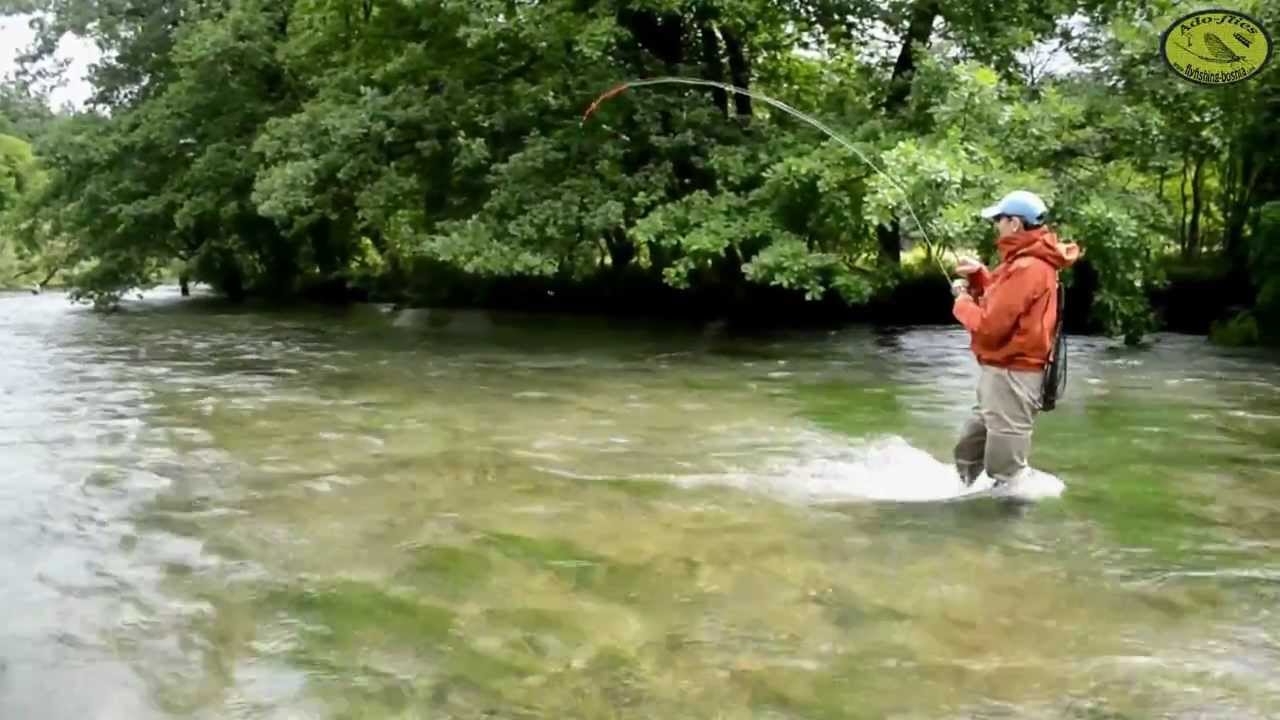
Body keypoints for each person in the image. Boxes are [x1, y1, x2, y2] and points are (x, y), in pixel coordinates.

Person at [950, 190, 1081, 487]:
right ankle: (964, 505)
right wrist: (981, 277)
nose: (996, 225)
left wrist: (962, 301)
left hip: (1014, 375)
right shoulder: (1024, 260)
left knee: (1006, 470)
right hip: (1002, 373)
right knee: (968, 448)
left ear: (1015, 224)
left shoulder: (1028, 266)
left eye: (999, 219)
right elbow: (1008, 299)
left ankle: (1015, 525)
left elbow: (990, 326)